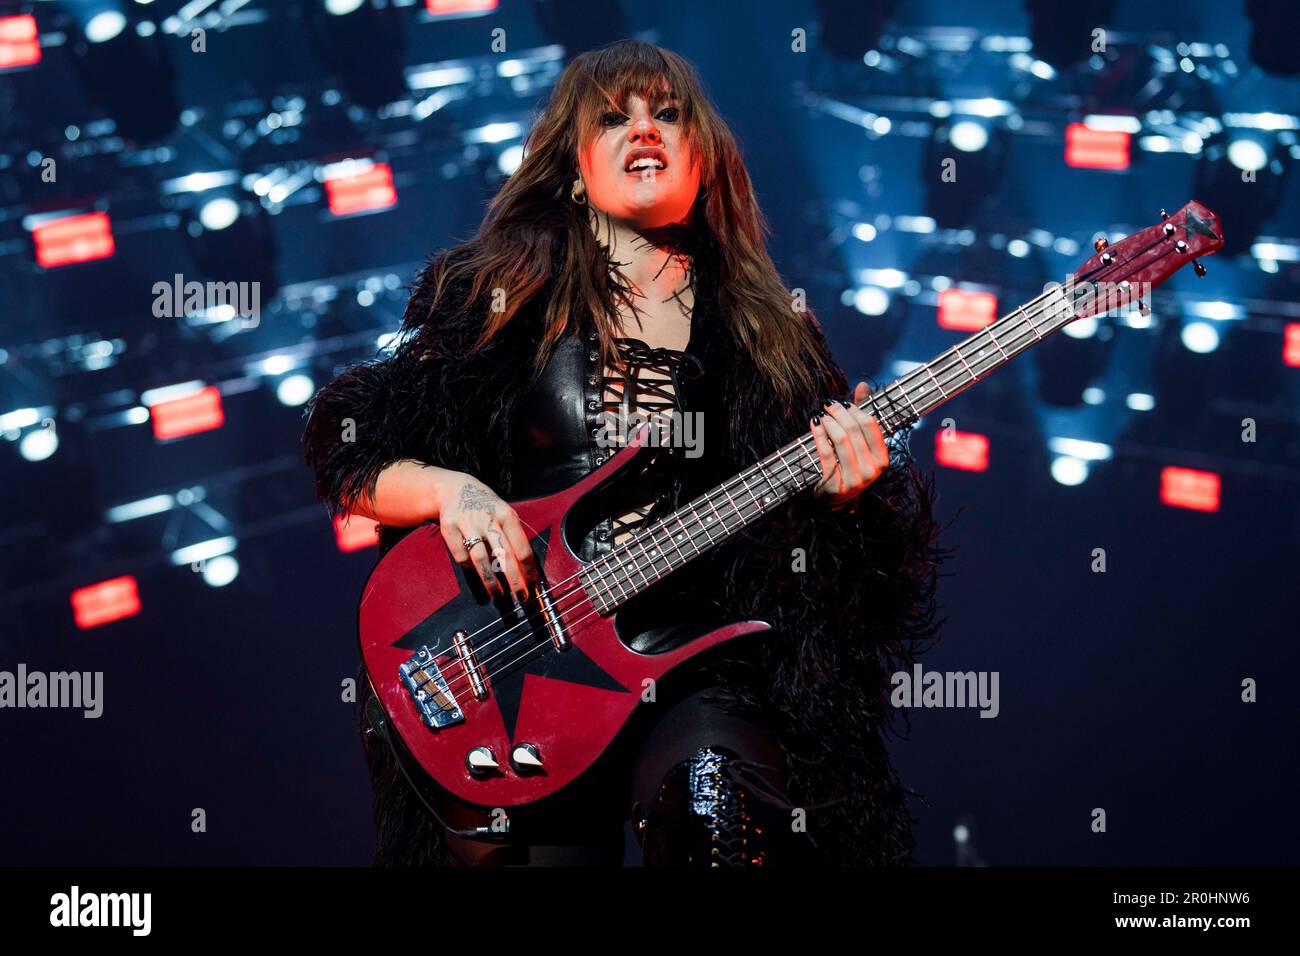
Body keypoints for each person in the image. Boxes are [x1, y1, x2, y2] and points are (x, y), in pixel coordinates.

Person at [303, 39, 943, 866]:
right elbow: (351, 441)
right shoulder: (496, 300)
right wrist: (449, 491)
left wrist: (852, 498)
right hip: (515, 663)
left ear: (701, 160)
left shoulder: (773, 339)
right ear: (573, 171)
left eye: (667, 113)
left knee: (720, 818)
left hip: (698, 665)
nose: (645, 127)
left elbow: (844, 594)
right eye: (614, 118)